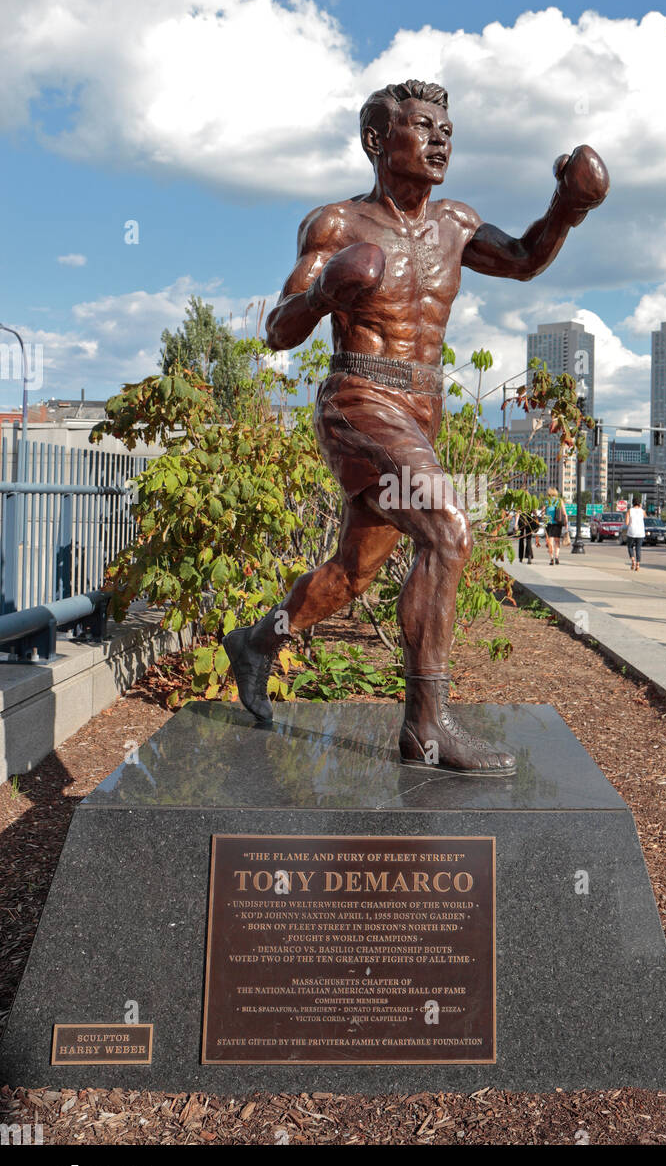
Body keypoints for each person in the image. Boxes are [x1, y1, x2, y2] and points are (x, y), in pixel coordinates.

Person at [221, 77, 609, 773]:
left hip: (422, 410)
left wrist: (568, 207)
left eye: (447, 131)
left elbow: (522, 259)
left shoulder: (454, 225)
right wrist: (319, 294)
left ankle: (257, 641)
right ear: (377, 141)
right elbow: (279, 331)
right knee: (448, 530)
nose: (440, 140)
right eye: (423, 127)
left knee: (353, 569)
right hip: (358, 399)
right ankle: (426, 727)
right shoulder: (336, 226)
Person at [544, 488, 569, 565]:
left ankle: (551, 558)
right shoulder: (560, 501)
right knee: (557, 541)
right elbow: (565, 513)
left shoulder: (547, 501)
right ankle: (557, 557)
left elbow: (543, 513)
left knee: (550, 542)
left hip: (549, 524)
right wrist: (566, 524)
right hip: (558, 523)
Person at [624, 494, 646, 571]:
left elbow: (626, 523)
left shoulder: (629, 511)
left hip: (631, 532)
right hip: (640, 532)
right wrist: (640, 508)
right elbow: (645, 517)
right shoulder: (643, 511)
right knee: (638, 548)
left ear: (632, 503)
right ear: (639, 503)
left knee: (630, 547)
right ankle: (638, 564)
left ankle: (633, 560)